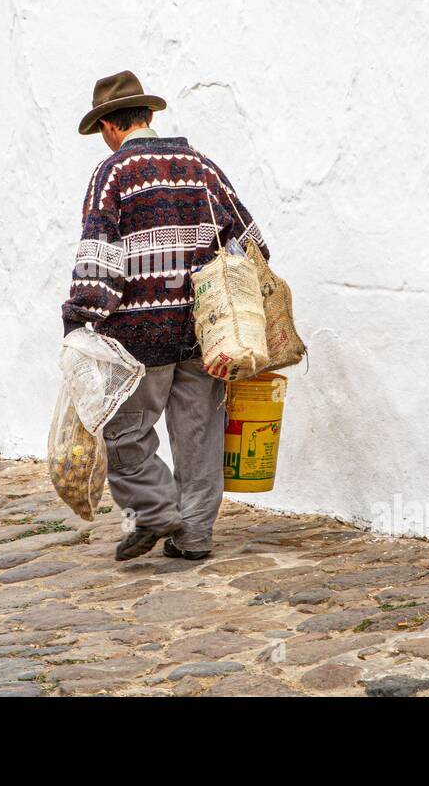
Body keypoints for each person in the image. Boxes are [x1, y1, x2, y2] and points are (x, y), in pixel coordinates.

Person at [62, 70, 269, 561]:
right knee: (197, 435)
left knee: (123, 430)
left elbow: (100, 256)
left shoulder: (112, 174)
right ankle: (194, 534)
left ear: (110, 127)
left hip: (138, 334)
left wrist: (81, 317)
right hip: (204, 333)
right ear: (149, 116)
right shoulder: (201, 167)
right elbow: (254, 243)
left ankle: (156, 510)